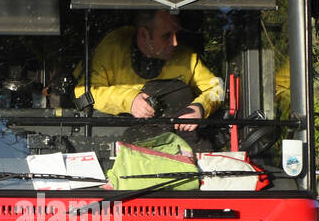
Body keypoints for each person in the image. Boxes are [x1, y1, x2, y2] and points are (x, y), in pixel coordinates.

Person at [75, 9, 223, 133]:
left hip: (172, 142)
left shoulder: (187, 58)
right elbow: (84, 93)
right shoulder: (111, 49)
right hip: (113, 137)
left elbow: (218, 89)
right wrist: (129, 100)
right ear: (144, 34)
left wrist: (200, 108)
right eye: (166, 36)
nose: (175, 42)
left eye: (176, 33)